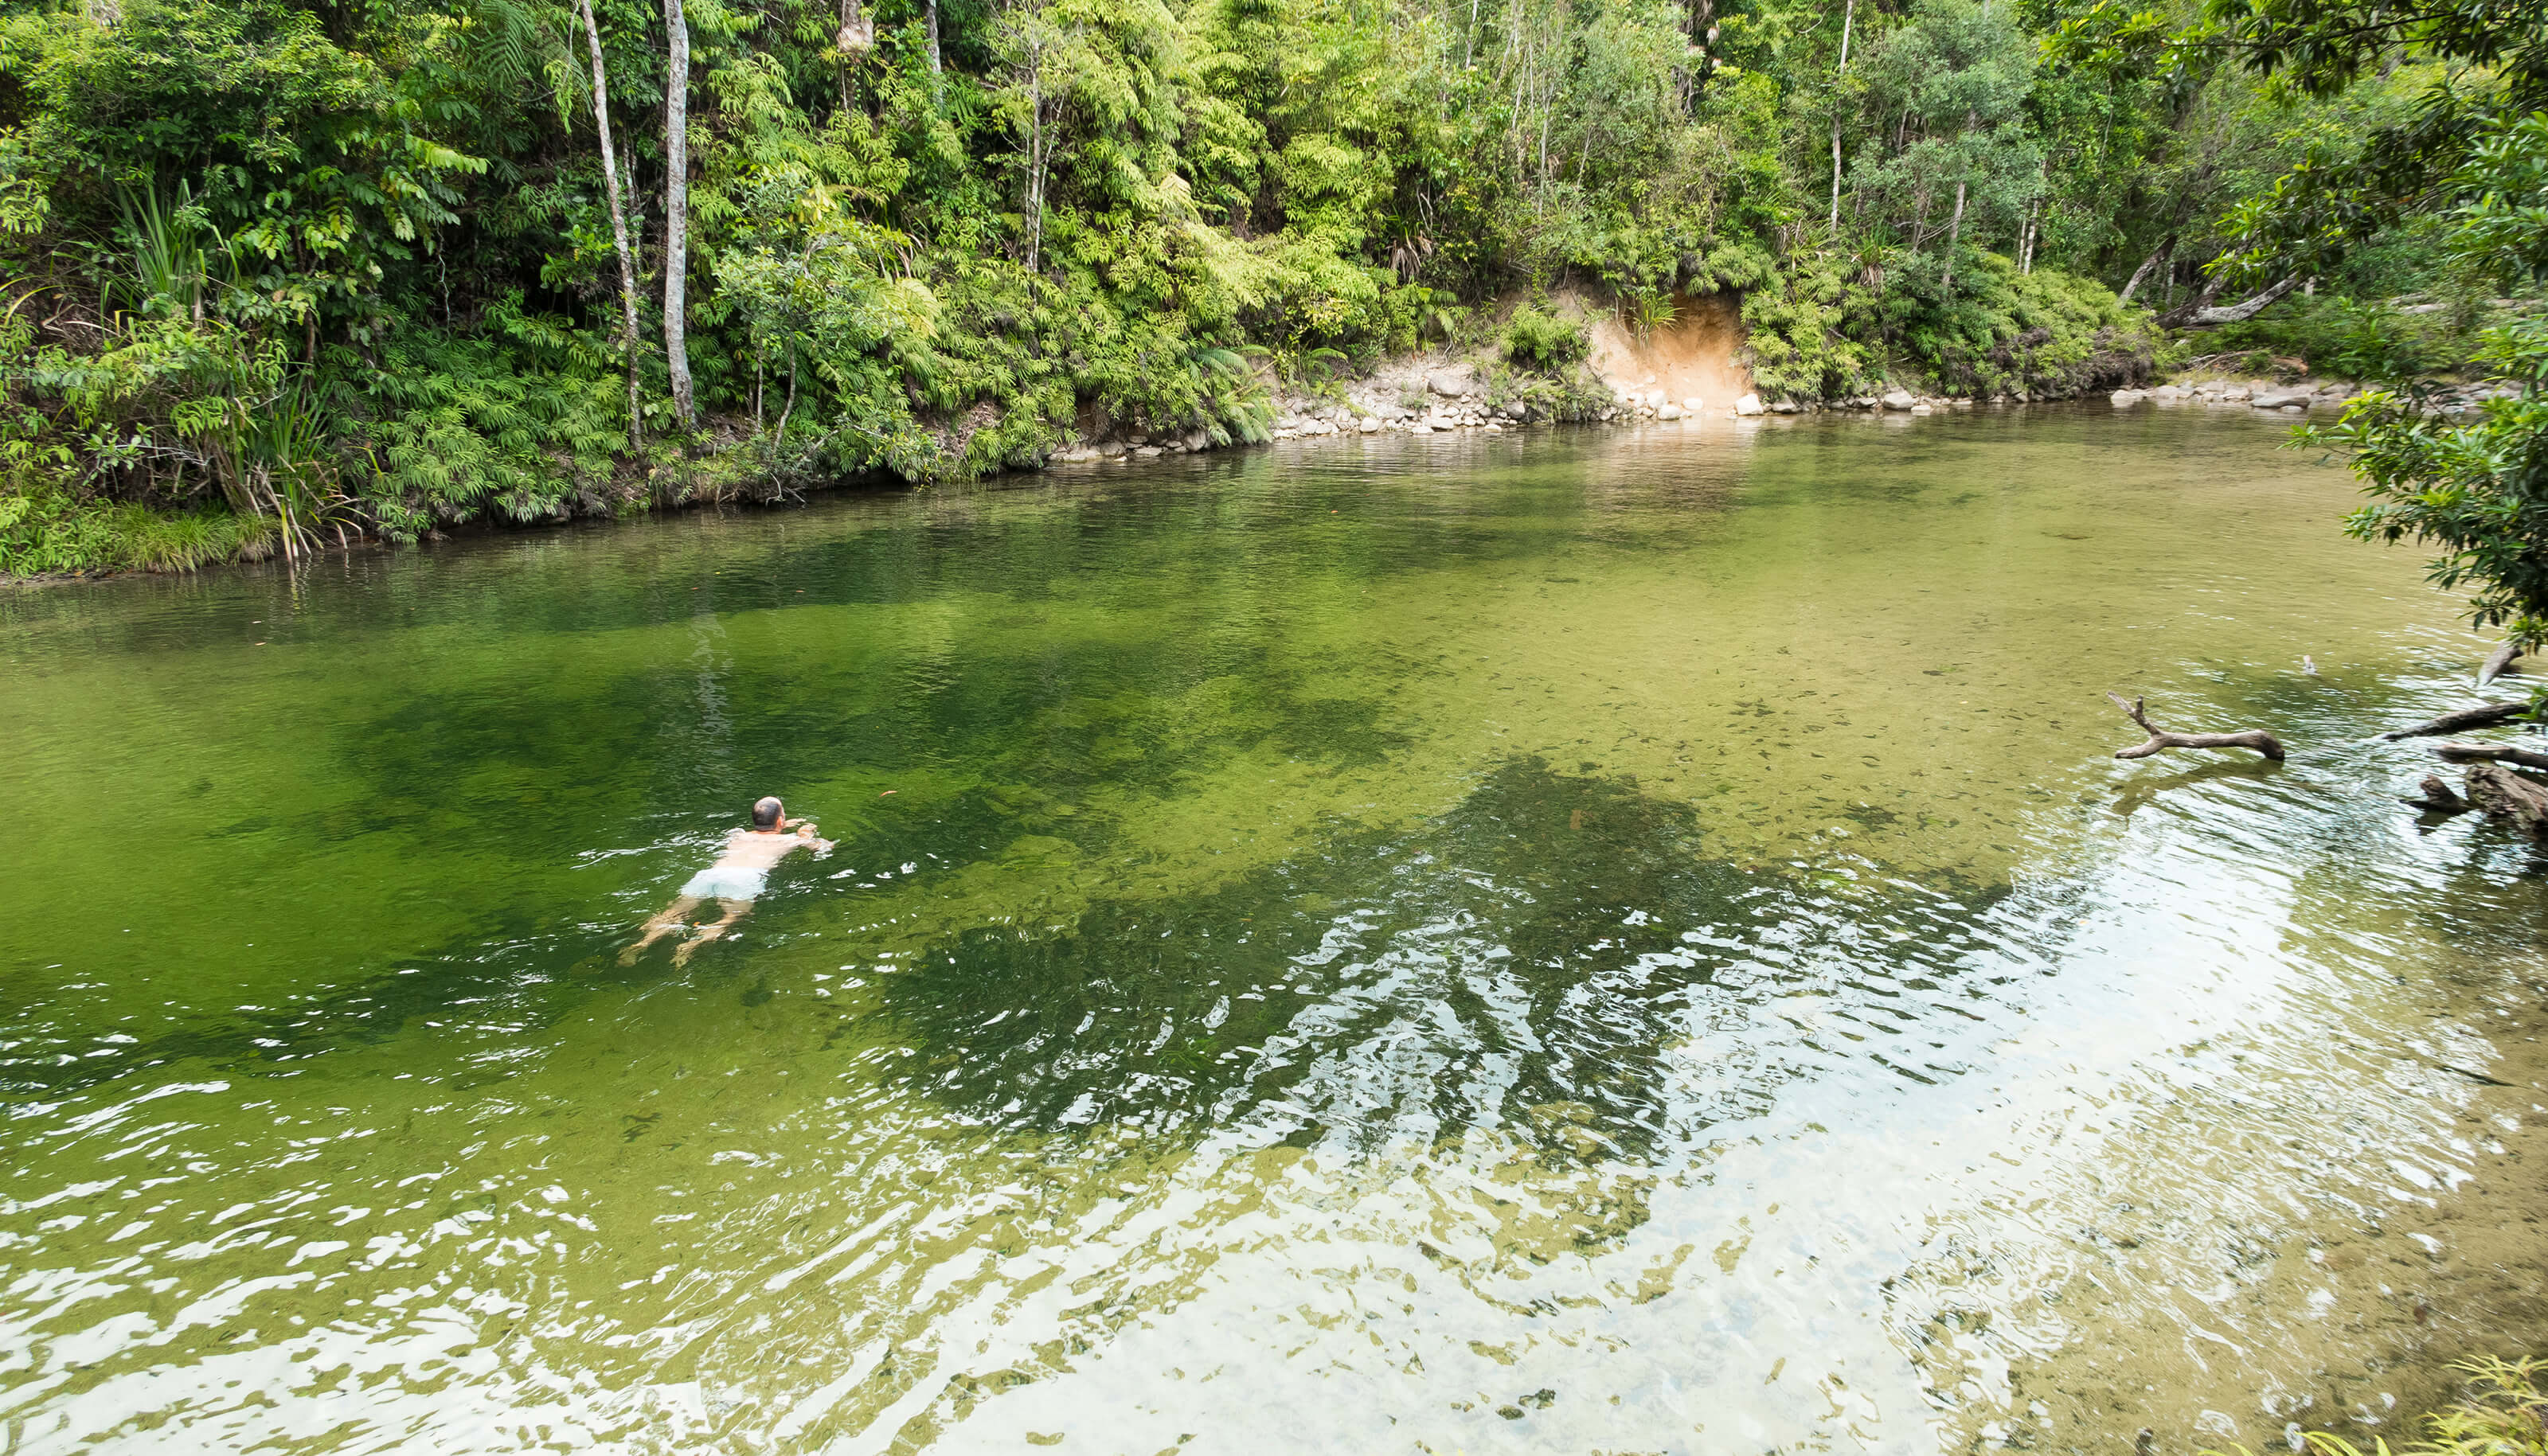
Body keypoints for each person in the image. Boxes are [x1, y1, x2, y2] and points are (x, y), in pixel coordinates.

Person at [622, 797, 831, 966]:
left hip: (712, 874)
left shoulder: (739, 835)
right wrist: (806, 833)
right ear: (780, 822)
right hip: (744, 879)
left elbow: (763, 832)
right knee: (729, 918)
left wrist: (783, 824)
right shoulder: (790, 840)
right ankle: (692, 945)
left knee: (673, 913)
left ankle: (642, 943)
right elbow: (821, 847)